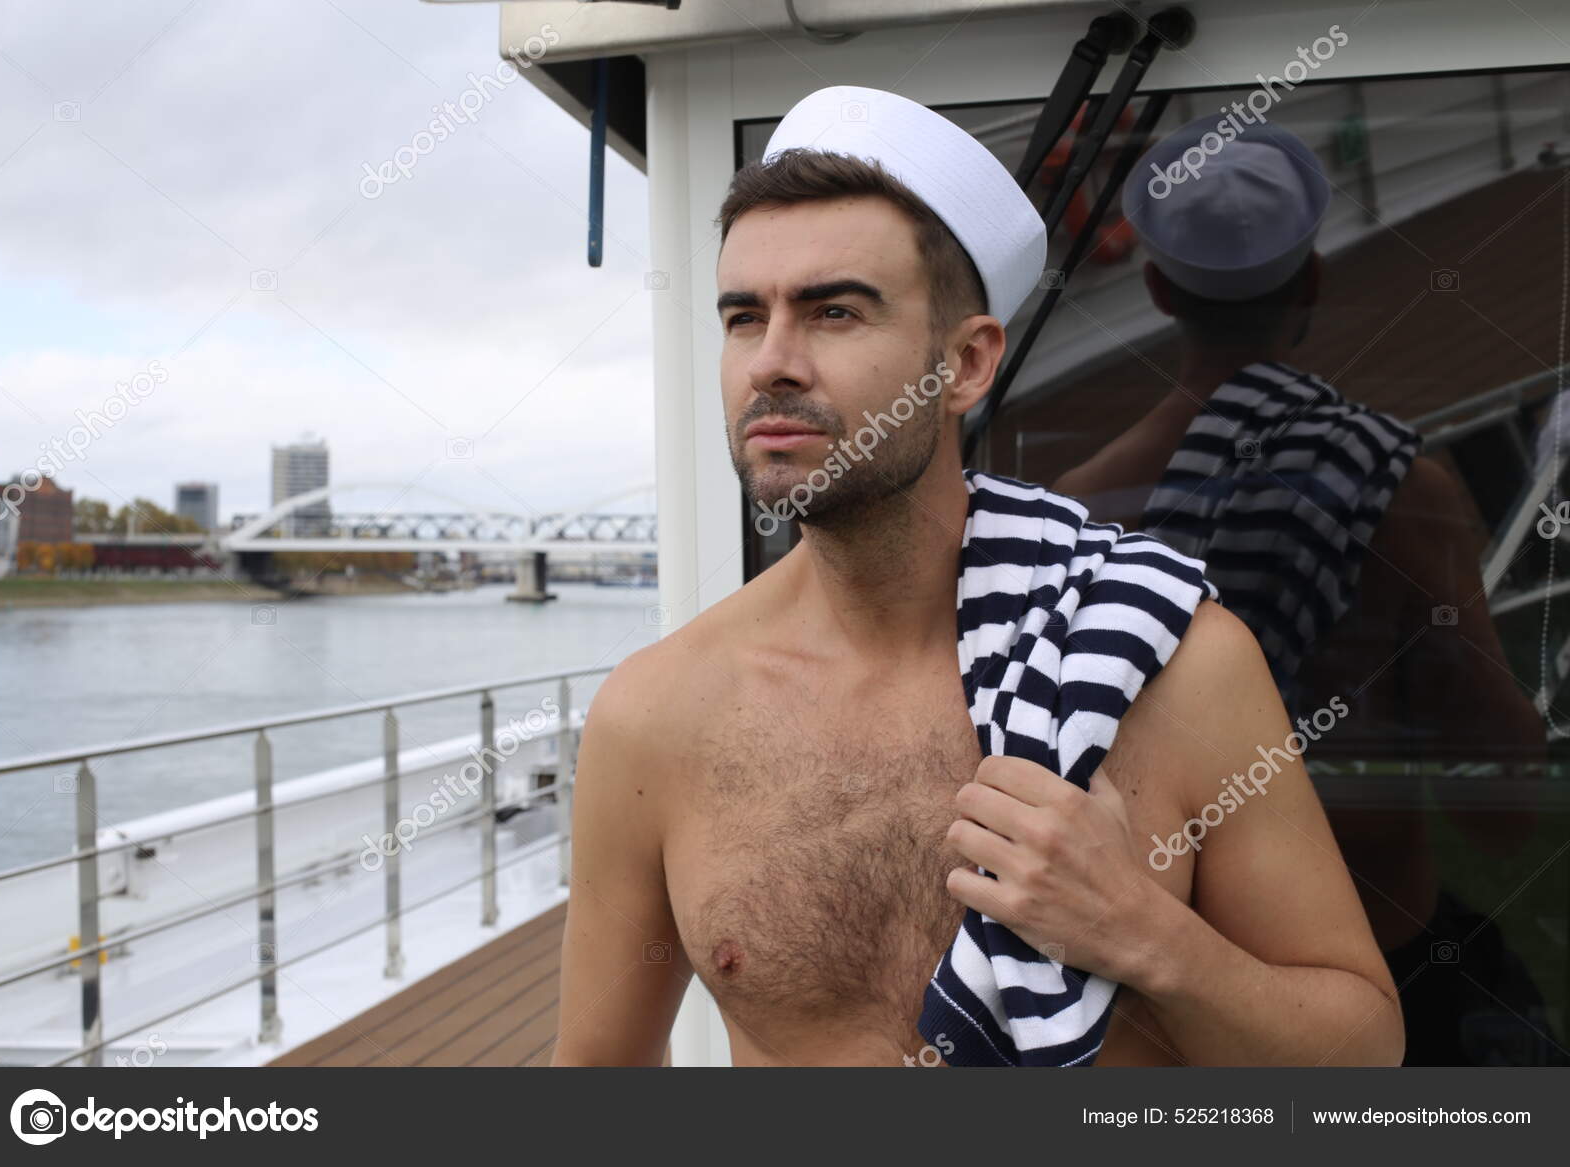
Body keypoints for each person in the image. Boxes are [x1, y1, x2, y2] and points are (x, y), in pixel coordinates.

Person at [551, 86, 1401, 1067]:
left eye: (833, 312)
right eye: (745, 317)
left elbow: (1360, 1049)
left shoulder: (1169, 663)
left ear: (964, 363)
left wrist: (1143, 933)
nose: (771, 363)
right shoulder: (654, 717)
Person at [1050, 114, 1557, 1065]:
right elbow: (1506, 808)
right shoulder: (1404, 488)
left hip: (1151, 999)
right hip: (1387, 967)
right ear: (1314, 277)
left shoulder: (1079, 513)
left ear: (1158, 288)